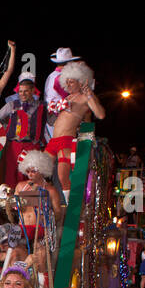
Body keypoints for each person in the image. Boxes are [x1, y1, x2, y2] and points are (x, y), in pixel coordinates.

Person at [46, 61, 104, 192]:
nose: (68, 84)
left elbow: (100, 114)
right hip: (53, 140)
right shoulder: (67, 98)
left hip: (65, 141)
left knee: (63, 177)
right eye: (67, 81)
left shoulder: (85, 97)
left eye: (71, 82)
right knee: (38, 170)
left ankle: (71, 207)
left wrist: (89, 94)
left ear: (81, 82)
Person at [0, 71, 45, 188]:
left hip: (32, 145)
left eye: (26, 91)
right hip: (14, 145)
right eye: (20, 91)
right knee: (12, 172)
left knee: (32, 172)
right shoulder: (11, 105)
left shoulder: (41, 106)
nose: (23, 94)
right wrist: (0, 131)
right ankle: (11, 201)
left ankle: (31, 199)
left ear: (32, 91)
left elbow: (52, 121)